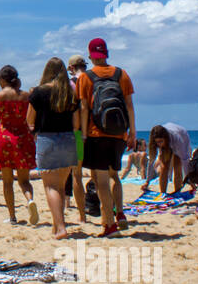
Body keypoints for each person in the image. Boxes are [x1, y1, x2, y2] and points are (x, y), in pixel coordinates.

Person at [75, 39, 135, 236]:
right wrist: (132, 133)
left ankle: (108, 224)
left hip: (96, 134)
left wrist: (83, 134)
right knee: (114, 176)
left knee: (100, 180)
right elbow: (129, 105)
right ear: (107, 53)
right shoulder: (121, 74)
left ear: (91, 55)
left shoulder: (86, 77)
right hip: (119, 134)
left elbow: (84, 107)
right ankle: (120, 214)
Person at [27, 57, 80, 239]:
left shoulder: (38, 93)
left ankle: (60, 227)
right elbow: (76, 123)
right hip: (68, 140)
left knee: (50, 187)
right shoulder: (70, 93)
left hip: (47, 139)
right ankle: (58, 224)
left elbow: (29, 121)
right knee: (61, 186)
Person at [0, 65, 36, 225]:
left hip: (5, 137)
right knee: (24, 180)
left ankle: (12, 217)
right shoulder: (26, 96)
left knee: (7, 181)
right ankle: (30, 200)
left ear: (2, 79)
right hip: (23, 137)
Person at [66, 54, 89, 216]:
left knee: (74, 173)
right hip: (94, 131)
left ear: (71, 68)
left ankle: (69, 204)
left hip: (76, 132)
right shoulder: (92, 79)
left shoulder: (69, 84)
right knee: (98, 171)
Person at [142, 124, 190, 193]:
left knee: (177, 166)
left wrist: (189, 179)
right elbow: (151, 161)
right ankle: (163, 193)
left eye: (161, 141)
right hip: (168, 140)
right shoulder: (155, 141)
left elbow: (185, 160)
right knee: (164, 168)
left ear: (165, 139)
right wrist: (147, 181)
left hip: (182, 137)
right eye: (157, 142)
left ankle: (177, 191)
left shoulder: (177, 139)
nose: (159, 144)